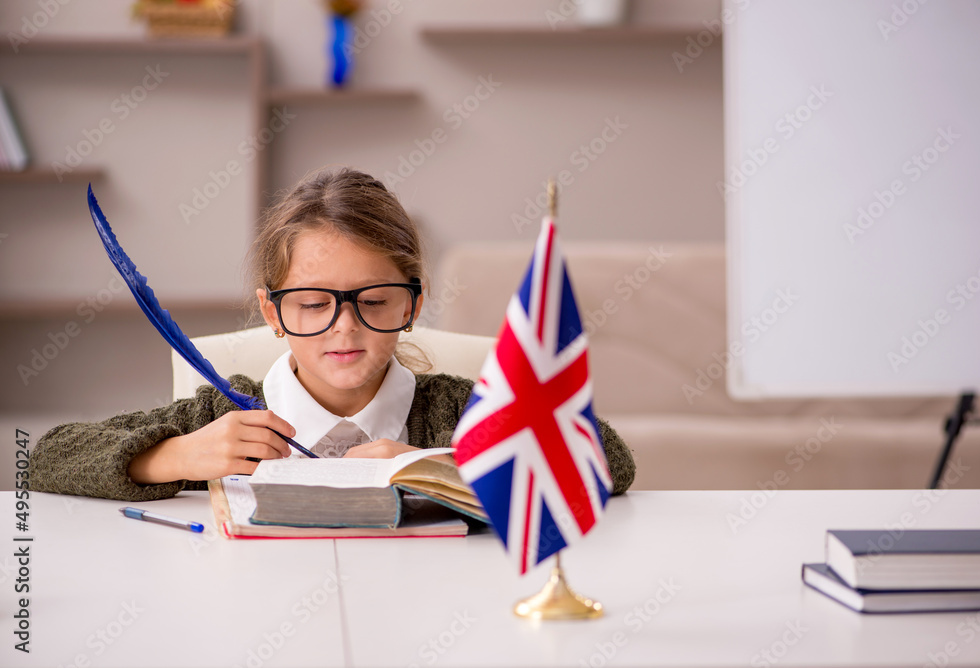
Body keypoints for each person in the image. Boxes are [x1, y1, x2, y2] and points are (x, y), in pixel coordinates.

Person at [29, 168, 636, 502]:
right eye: (314, 303)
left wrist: (437, 467)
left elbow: (610, 458)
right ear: (272, 312)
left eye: (372, 301)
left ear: (413, 303)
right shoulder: (222, 416)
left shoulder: (456, 409)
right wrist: (176, 455)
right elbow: (46, 455)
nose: (344, 327)